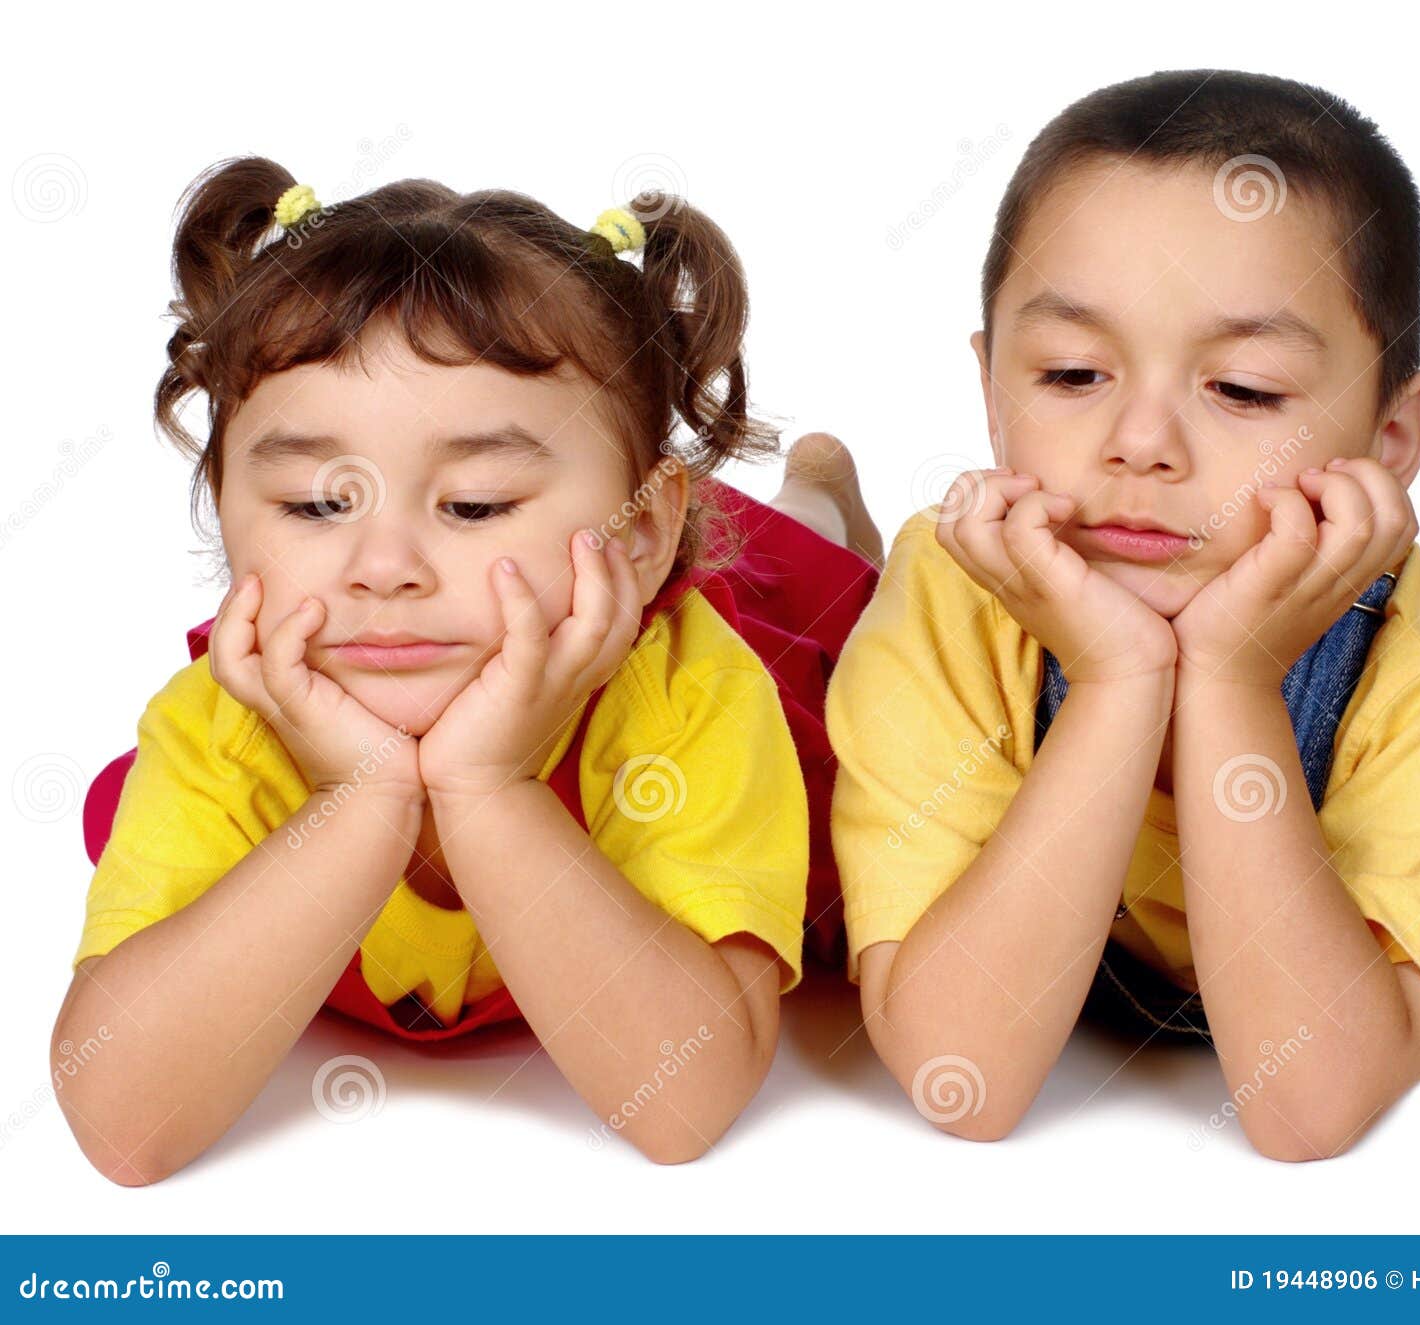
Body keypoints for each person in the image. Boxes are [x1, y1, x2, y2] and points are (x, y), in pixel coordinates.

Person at [53, 157, 881, 1183]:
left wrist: (485, 787)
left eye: (477, 503)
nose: (385, 568)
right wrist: (366, 799)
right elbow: (126, 1129)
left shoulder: (693, 695)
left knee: (832, 613)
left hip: (751, 614)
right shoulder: (220, 726)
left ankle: (818, 489)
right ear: (224, 506)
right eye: (317, 505)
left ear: (641, 526)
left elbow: (680, 1105)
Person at [826, 70, 1420, 1160]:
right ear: (989, 389)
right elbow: (958, 1075)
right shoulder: (954, 589)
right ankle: (823, 503)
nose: (1141, 442)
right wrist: (1114, 680)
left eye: (1243, 390)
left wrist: (1233, 681)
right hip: (818, 628)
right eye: (1070, 373)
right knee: (806, 604)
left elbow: (1307, 1108)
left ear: (1391, 436)